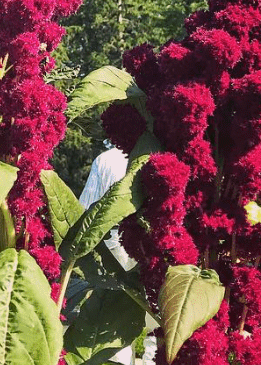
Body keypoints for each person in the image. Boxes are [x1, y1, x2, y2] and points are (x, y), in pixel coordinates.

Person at [79, 143, 158, 365]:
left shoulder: (107, 160)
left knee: (114, 329)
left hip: (115, 250)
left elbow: (85, 212)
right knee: (159, 330)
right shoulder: (163, 155)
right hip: (157, 250)